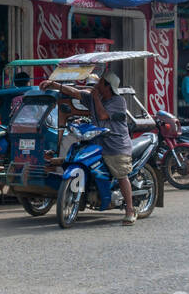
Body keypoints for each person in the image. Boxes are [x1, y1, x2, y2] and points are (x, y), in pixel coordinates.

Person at [39, 70, 137, 225]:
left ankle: (130, 210)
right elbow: (74, 93)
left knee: (121, 175)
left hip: (116, 145)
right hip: (97, 144)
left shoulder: (118, 101)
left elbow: (103, 115)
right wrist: (54, 84)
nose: (96, 85)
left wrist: (95, 97)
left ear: (108, 86)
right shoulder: (93, 97)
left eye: (100, 83)